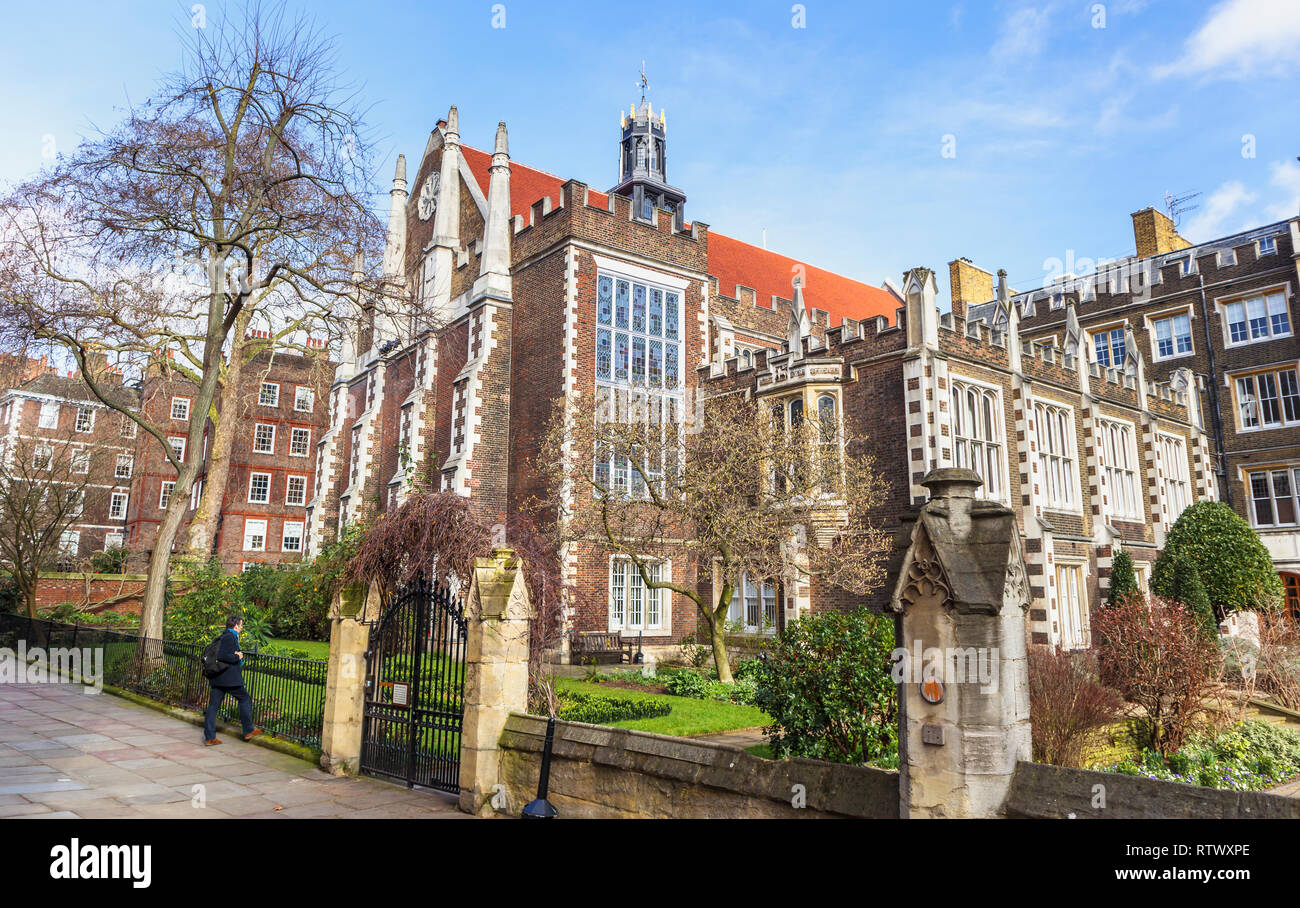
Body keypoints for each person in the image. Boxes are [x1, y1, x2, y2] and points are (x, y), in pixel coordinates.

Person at [203, 615, 262, 745]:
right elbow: (223, 655)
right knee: (245, 698)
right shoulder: (230, 637)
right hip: (229, 679)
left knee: (213, 707)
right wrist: (238, 656)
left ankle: (209, 738)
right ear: (235, 626)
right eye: (241, 625)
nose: (241, 628)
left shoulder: (224, 635)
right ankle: (248, 730)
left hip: (218, 679)